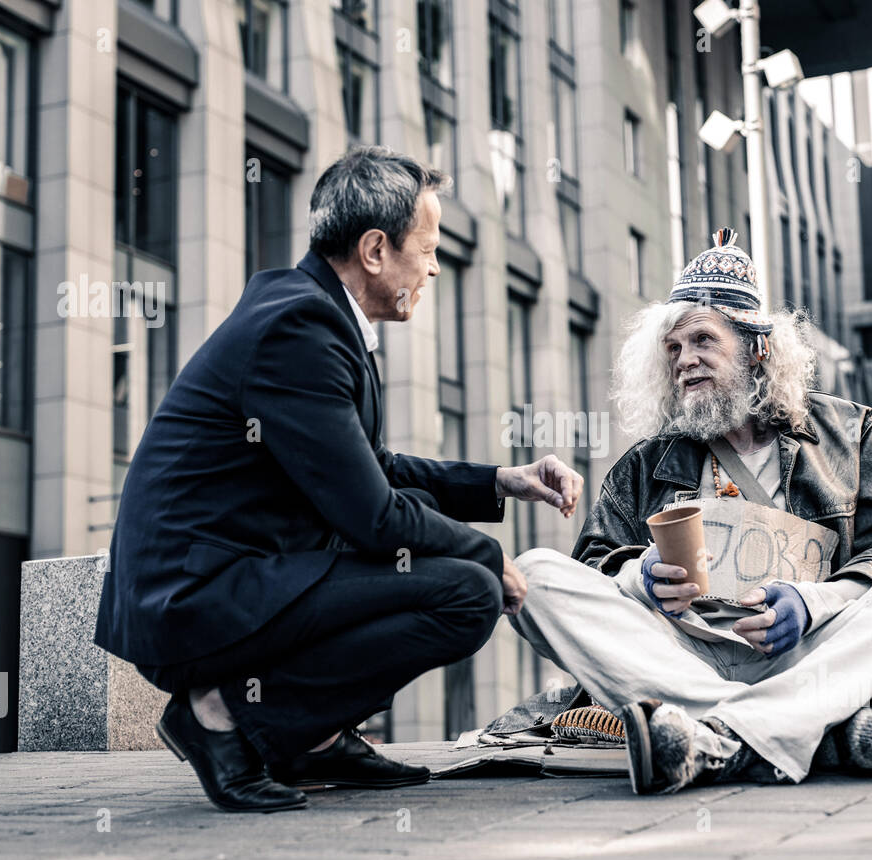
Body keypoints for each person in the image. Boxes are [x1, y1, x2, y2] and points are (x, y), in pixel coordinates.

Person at [95, 146, 581, 812]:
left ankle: (314, 739)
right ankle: (219, 716)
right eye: (429, 249)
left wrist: (502, 481)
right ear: (376, 250)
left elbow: (369, 473)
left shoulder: (315, 315)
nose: (435, 267)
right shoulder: (299, 326)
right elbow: (373, 516)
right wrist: (489, 555)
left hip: (231, 575)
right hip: (190, 597)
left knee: (445, 562)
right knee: (466, 592)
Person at [510, 229, 872, 795]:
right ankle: (794, 729)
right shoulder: (645, 462)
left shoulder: (848, 430)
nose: (685, 361)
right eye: (674, 350)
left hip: (813, 653)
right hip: (681, 657)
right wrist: (641, 579)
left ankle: (712, 739)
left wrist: (814, 603)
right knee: (533, 576)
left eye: (703, 342)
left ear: (757, 347)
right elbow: (592, 567)